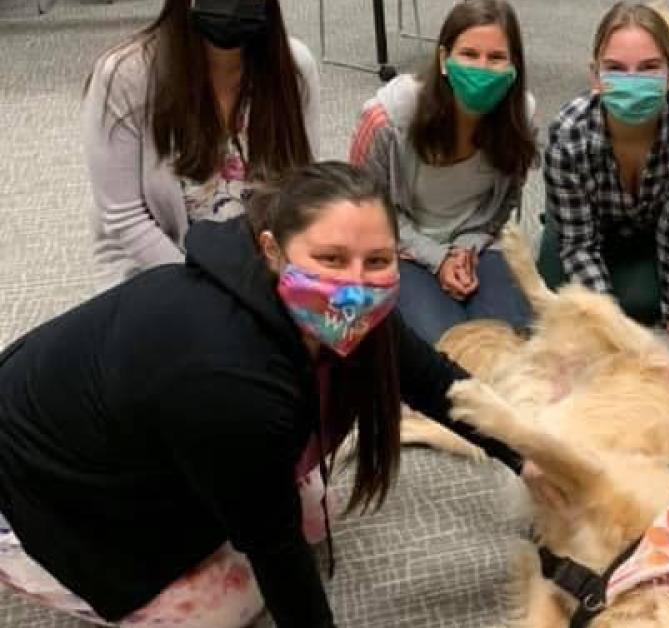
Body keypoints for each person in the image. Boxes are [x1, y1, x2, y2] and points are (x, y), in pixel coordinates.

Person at [0, 162, 535, 627]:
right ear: (272, 250)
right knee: (230, 600)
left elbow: (437, 383)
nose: (357, 283)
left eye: (378, 260)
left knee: (292, 508)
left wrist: (531, 457)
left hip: (131, 431)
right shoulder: (228, 376)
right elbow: (276, 552)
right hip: (34, 490)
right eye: (330, 258)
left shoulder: (337, 307)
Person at [84, 0, 319, 284]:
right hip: (157, 267)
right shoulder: (126, 75)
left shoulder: (292, 69)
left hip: (261, 269)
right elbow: (124, 216)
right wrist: (212, 288)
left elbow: (303, 189)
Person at [349, 0, 536, 344]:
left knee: (515, 341)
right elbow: (364, 211)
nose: (482, 68)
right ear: (443, 60)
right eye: (469, 54)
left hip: (476, 243)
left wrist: (466, 246)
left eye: (496, 58)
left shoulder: (519, 118)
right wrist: (437, 259)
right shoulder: (386, 117)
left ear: (514, 68)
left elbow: (504, 204)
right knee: (443, 349)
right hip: (399, 245)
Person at [538, 1, 669, 342]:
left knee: (646, 303)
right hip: (585, 224)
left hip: (655, 226)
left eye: (650, 67)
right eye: (616, 68)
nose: (632, 81)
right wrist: (612, 325)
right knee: (556, 291)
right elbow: (579, 244)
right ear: (595, 77)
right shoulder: (568, 132)